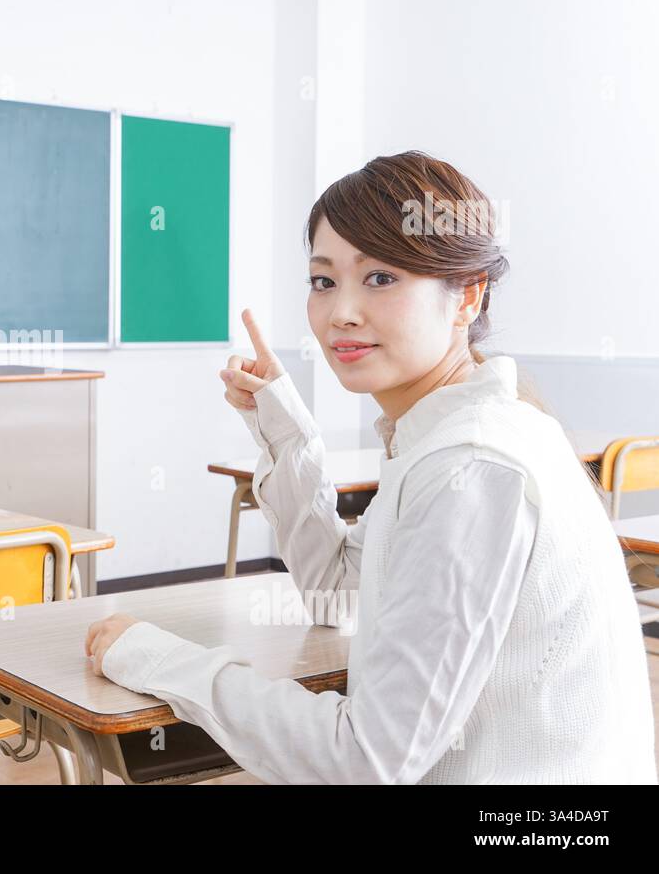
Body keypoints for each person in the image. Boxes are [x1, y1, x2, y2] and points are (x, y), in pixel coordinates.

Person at [85, 151, 657, 784]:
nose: (341, 313)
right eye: (323, 281)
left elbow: (366, 762)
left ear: (467, 296)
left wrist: (155, 658)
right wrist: (286, 428)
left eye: (381, 278)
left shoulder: (469, 466)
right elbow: (338, 590)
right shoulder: (463, 435)